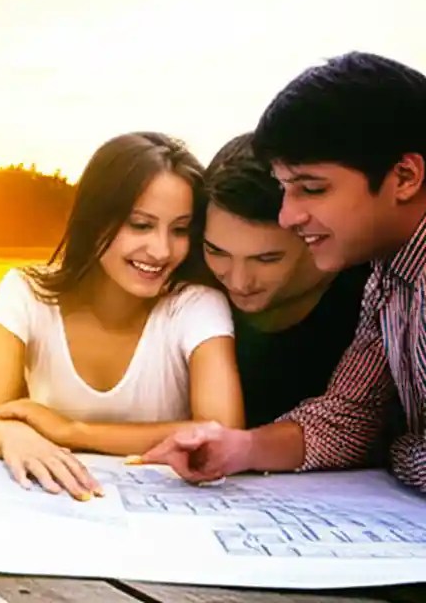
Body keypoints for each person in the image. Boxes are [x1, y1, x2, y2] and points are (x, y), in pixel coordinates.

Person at [140, 51, 426, 494]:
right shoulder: (387, 275)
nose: (290, 216)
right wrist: (240, 448)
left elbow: (399, 448)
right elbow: (349, 417)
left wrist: (402, 451)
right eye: (286, 189)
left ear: (405, 176)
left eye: (312, 189)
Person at [0, 131, 245, 501]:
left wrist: (73, 432)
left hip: (167, 516)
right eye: (140, 225)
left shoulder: (194, 306)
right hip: (55, 507)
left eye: (179, 230)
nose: (161, 250)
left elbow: (222, 432)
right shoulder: (26, 293)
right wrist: (14, 433)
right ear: (95, 220)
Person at [201, 132, 371, 428]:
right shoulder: (183, 275)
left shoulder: (376, 291)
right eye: (216, 251)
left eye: (267, 259)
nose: (239, 282)